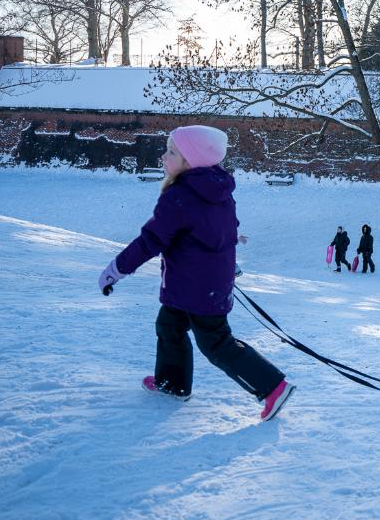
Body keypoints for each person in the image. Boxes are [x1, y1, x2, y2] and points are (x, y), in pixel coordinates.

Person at [98, 125, 294, 422]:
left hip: (195, 288)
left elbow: (151, 240)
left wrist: (117, 269)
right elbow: (223, 231)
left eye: (172, 152)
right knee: (169, 326)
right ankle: (172, 384)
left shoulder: (179, 196)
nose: (164, 157)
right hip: (197, 285)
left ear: (191, 160)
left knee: (215, 343)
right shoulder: (220, 190)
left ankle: (272, 387)